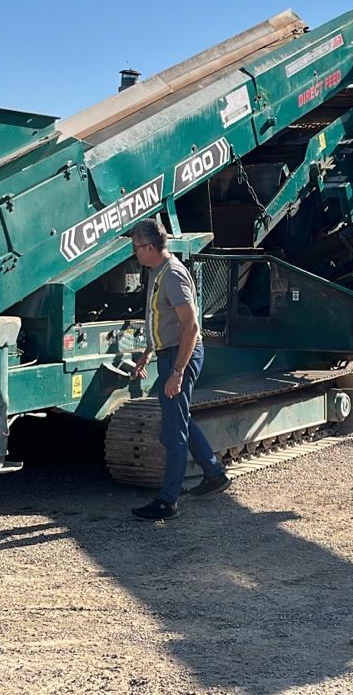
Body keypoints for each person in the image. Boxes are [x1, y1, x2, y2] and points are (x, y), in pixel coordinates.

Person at [126, 219, 230, 520]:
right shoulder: (158, 272)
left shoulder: (172, 275)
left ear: (149, 247)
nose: (136, 254)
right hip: (168, 353)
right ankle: (214, 474)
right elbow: (162, 322)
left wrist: (178, 371)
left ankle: (168, 501)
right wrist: (147, 354)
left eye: (137, 248)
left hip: (180, 356)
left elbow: (191, 326)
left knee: (173, 433)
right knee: (180, 418)